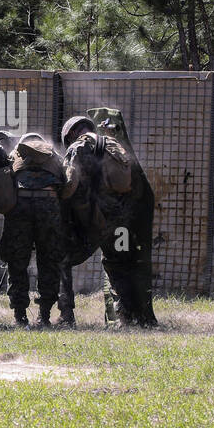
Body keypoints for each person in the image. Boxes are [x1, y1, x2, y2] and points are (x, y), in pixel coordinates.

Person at [60, 110, 158, 328]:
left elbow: (70, 185)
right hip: (122, 222)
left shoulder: (78, 148)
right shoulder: (114, 146)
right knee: (120, 262)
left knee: (61, 257)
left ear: (73, 133)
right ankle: (131, 316)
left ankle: (66, 316)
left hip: (95, 222)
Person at [0, 133, 66, 327]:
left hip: (21, 206)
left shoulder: (15, 154)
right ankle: (43, 316)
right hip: (49, 206)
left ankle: (20, 317)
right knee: (48, 260)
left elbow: (4, 181)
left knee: (17, 262)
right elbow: (66, 181)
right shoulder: (54, 156)